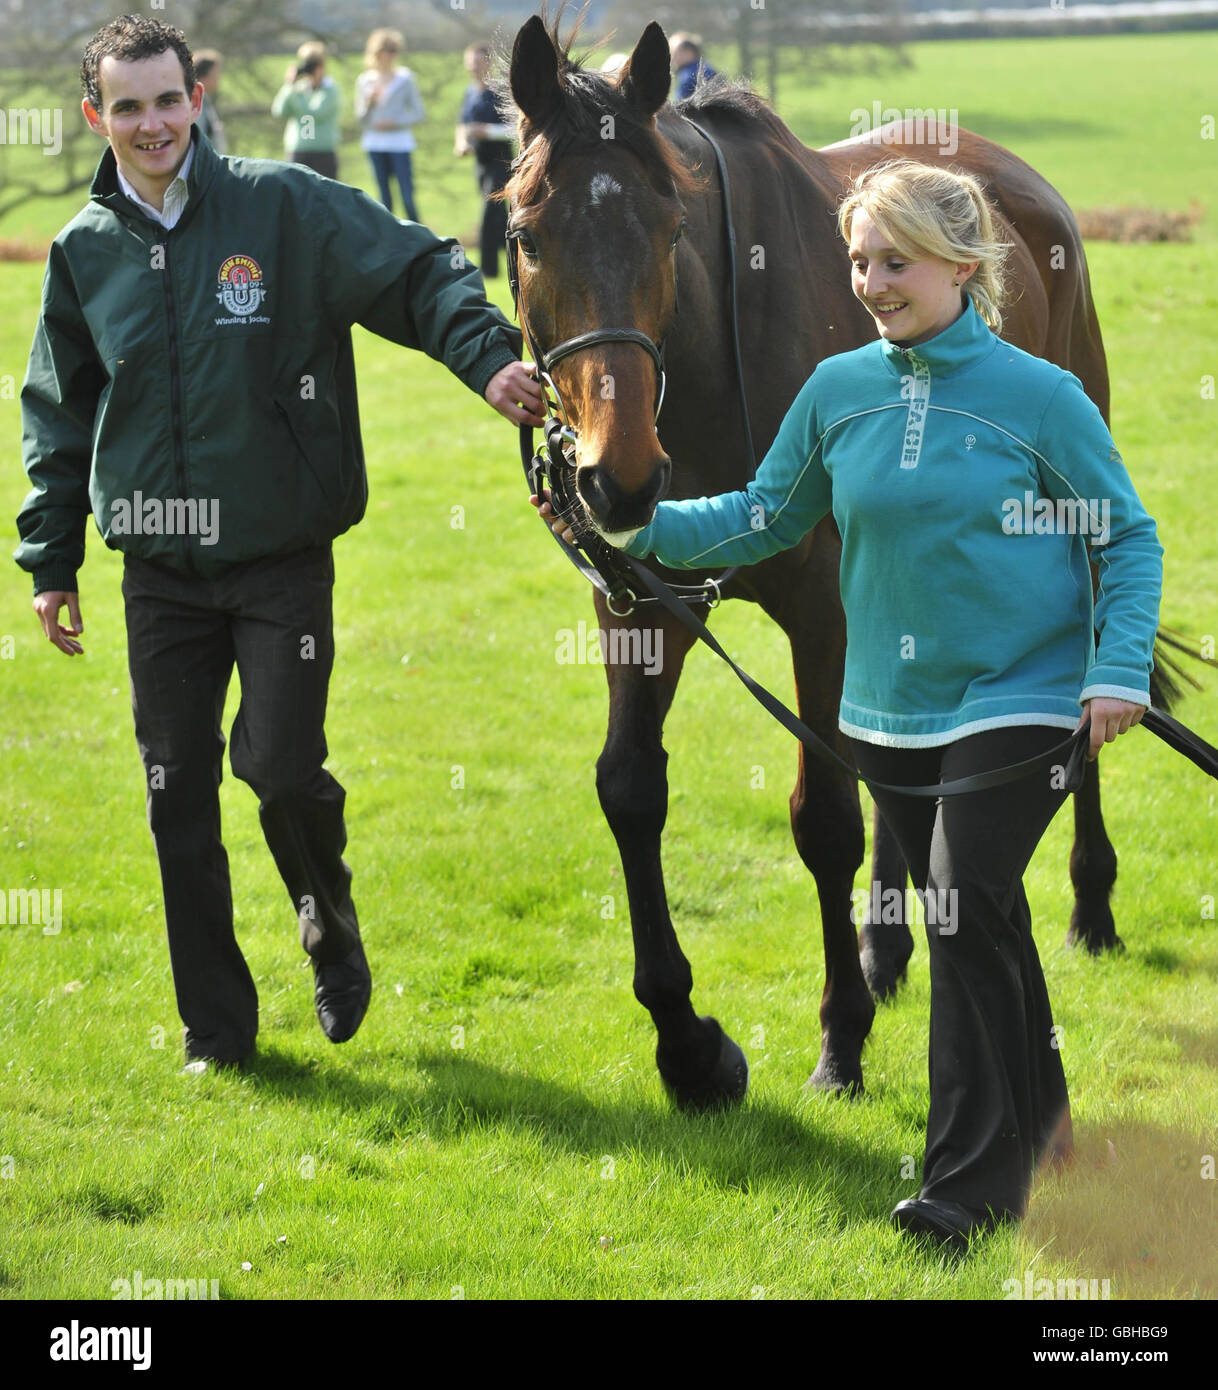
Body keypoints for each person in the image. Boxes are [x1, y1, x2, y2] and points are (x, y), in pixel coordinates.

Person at [537, 159, 1163, 1248]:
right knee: (986, 919)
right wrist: (632, 532)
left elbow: (1128, 534)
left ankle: (966, 1187)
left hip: (1025, 696)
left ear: (964, 267)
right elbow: (760, 518)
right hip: (891, 708)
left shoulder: (1039, 398)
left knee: (961, 900)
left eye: (897, 262)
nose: (871, 282)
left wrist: (1114, 668)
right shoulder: (838, 390)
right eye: (860, 261)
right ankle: (1052, 1121)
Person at [16, 14, 544, 1075]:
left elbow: (419, 270)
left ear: (195, 101)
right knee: (177, 797)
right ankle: (218, 1031)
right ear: (95, 117)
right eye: (128, 106)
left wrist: (485, 357)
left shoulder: (283, 206)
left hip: (278, 554)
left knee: (283, 766)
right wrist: (52, 557)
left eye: (168, 100)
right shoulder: (84, 253)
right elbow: (59, 411)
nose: (152, 122)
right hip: (157, 572)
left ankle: (326, 913)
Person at [454, 42, 514, 279]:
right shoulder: (469, 93)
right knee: (500, 221)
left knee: (489, 215)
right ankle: (516, 263)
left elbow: (515, 129)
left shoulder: (501, 92)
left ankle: (488, 271)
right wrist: (461, 144)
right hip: (481, 163)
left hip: (501, 162)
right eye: (470, 64)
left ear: (489, 63)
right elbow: (463, 125)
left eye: (478, 63)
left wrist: (486, 131)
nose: (473, 68)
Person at [355, 29, 424, 220]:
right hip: (375, 144)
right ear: (377, 52)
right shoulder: (365, 80)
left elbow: (419, 113)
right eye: (388, 50)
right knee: (384, 199)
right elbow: (360, 119)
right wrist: (368, 104)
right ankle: (389, 245)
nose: (392, 54)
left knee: (407, 197)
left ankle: (420, 242)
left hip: (400, 143)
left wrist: (395, 123)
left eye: (395, 50)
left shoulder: (405, 78)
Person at [271, 41, 340, 179]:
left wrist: (296, 95)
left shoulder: (330, 89)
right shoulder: (297, 88)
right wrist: (288, 85)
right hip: (298, 150)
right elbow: (278, 111)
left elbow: (316, 114)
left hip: (323, 152)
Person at [193, 48, 225, 154]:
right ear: (203, 76)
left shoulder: (205, 101)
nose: (218, 78)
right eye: (215, 74)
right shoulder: (196, 105)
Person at [669, 32, 717, 101]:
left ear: (689, 52)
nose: (672, 58)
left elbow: (679, 105)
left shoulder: (688, 75)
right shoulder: (708, 67)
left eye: (674, 53)